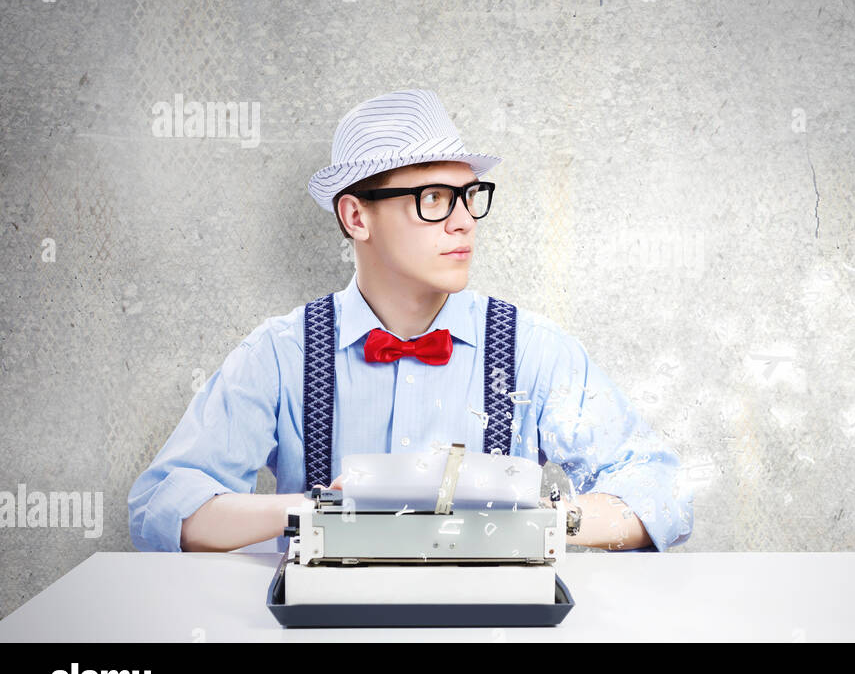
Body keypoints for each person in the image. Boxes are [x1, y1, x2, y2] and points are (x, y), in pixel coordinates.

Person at [128, 88, 692, 555]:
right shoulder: (282, 353)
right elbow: (162, 506)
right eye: (434, 198)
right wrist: (319, 510)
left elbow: (661, 492)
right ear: (356, 216)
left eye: (470, 197)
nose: (465, 222)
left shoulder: (532, 350)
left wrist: (547, 521)